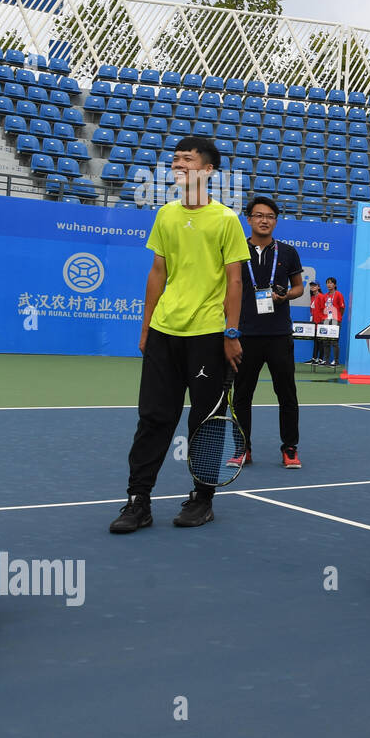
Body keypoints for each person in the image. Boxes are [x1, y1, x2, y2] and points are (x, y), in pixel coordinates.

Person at [109, 136, 250, 533]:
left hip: (208, 334)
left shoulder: (225, 219)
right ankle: (138, 501)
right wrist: (146, 327)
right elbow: (158, 272)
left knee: (205, 421)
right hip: (163, 332)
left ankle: (202, 498)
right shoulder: (166, 215)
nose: (178, 165)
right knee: (153, 418)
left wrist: (231, 332)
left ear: (208, 170)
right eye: (175, 159)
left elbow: (234, 280)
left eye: (187, 159)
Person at [228, 196, 304, 469]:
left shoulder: (287, 252)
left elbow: (298, 288)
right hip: (245, 335)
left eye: (270, 216)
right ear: (248, 219)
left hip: (279, 334)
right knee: (241, 396)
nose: (264, 220)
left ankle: (290, 449)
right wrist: (230, 330)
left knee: (287, 394)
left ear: (275, 221)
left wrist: (285, 296)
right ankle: (242, 448)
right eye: (258, 215)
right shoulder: (236, 251)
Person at [317, 277, 346, 367]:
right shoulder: (325, 296)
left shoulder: (338, 294)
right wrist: (323, 318)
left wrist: (337, 317)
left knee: (334, 341)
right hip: (326, 320)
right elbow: (322, 308)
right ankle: (326, 360)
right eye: (327, 283)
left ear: (335, 285)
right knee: (325, 341)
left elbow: (342, 308)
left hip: (335, 320)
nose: (329, 285)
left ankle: (336, 361)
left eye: (331, 283)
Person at [306, 282, 324, 363]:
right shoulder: (312, 297)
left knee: (320, 341)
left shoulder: (321, 296)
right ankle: (314, 358)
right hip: (314, 323)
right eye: (311, 286)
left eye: (314, 285)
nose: (312, 287)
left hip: (320, 322)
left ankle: (320, 359)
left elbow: (324, 310)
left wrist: (322, 321)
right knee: (316, 341)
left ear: (318, 287)